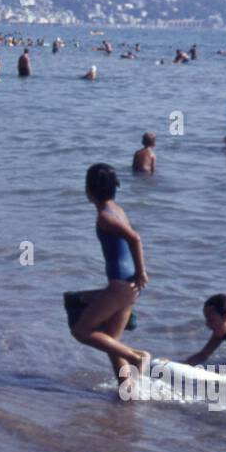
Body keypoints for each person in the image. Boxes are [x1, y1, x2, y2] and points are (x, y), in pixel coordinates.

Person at [67, 164, 150, 383]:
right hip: (126, 285)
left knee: (81, 331)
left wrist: (142, 272)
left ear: (89, 190)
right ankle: (127, 392)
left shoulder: (105, 216)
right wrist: (138, 276)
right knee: (112, 342)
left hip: (121, 285)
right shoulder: (117, 209)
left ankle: (136, 357)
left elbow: (135, 238)